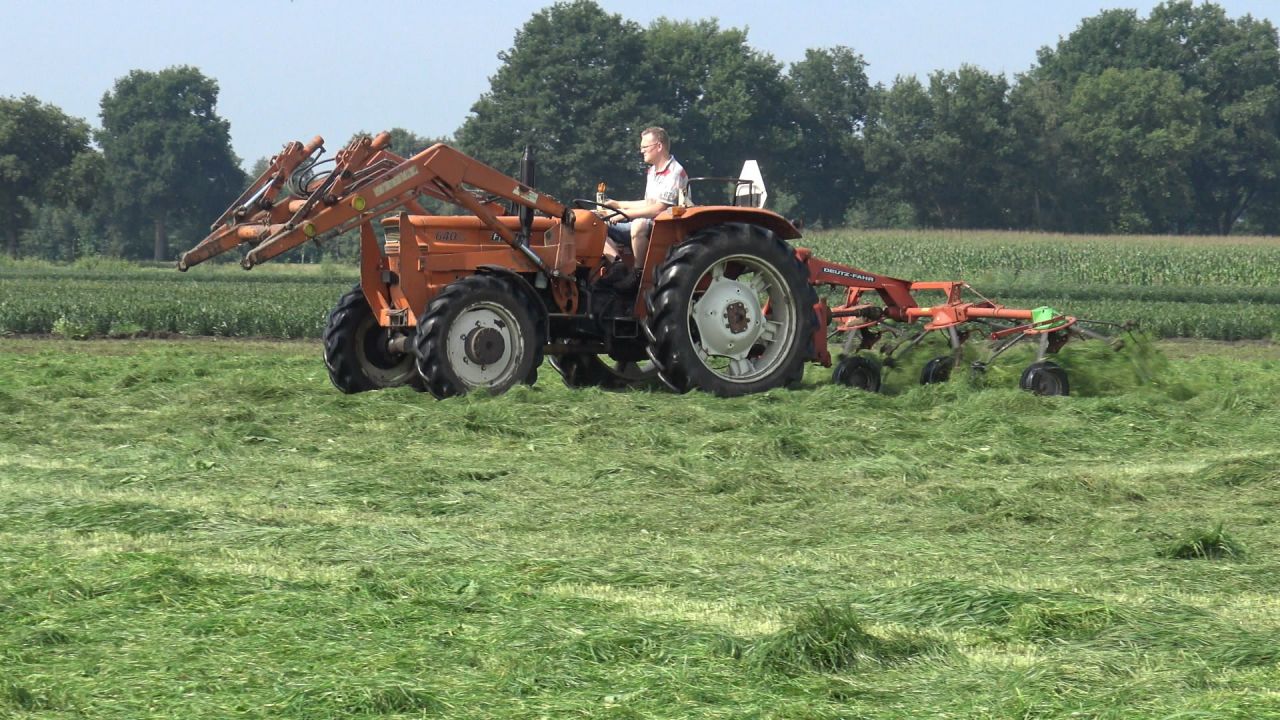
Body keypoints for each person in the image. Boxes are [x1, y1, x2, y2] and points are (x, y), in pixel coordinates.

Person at [596, 126, 689, 289]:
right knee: (596, 222)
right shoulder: (653, 171)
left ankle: (638, 275)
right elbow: (648, 203)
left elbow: (658, 209)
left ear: (659, 146)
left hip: (665, 226)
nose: (641, 151)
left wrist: (624, 214)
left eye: (645, 147)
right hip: (650, 222)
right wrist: (617, 205)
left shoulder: (675, 171)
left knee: (638, 224)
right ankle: (617, 265)